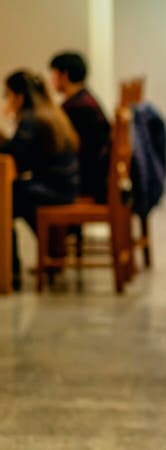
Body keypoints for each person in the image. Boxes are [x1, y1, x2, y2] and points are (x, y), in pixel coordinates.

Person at [0, 70, 79, 289]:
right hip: (65, 187)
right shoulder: (49, 113)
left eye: (7, 95)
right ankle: (50, 250)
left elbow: (15, 157)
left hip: (53, 190)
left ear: (19, 96)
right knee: (12, 194)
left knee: (3, 201)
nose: (6, 101)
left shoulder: (30, 119)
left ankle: (9, 271)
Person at [50, 52, 112, 203]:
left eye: (53, 74)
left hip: (86, 183)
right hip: (95, 179)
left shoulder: (76, 107)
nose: (51, 80)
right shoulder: (85, 100)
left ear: (64, 75)